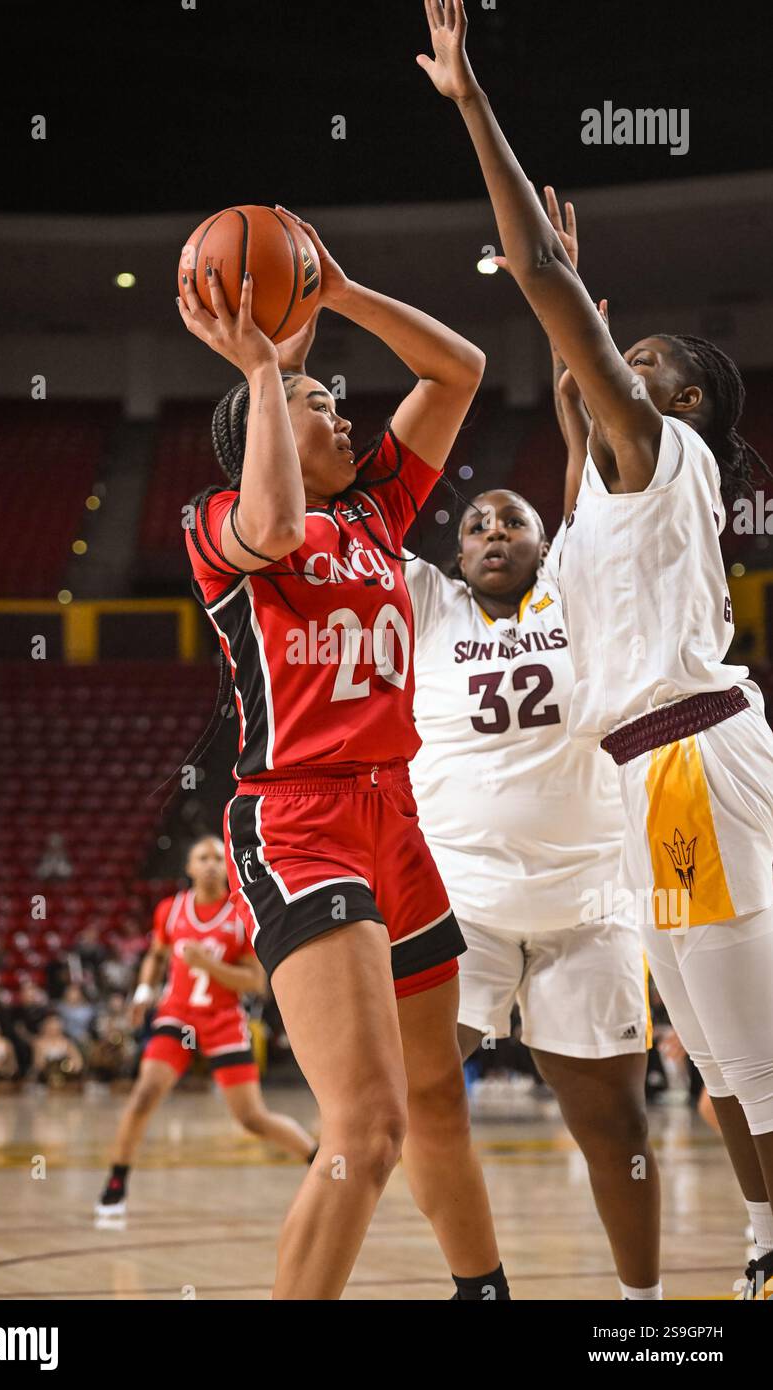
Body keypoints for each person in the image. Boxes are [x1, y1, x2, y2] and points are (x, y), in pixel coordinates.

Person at [418, 0, 773, 1300]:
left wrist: (470, 106)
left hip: (683, 755)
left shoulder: (658, 450)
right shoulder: (603, 498)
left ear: (680, 404)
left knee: (745, 1045)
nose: (611, 370)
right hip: (647, 770)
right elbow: (573, 461)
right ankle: (753, 1246)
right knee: (723, 1056)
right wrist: (573, 366)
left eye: (636, 363)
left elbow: (532, 276)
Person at [178, 211, 505, 1302]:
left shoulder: (375, 512)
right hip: (302, 821)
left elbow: (458, 368)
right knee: (363, 1130)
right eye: (324, 403)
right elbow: (272, 522)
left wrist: (339, 290)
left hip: (394, 817)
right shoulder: (218, 520)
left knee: (435, 1100)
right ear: (264, 419)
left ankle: (484, 1291)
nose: (343, 409)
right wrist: (271, 367)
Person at [95, 836, 315, 1218]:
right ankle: (116, 1180)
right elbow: (157, 954)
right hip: (177, 1014)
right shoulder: (170, 910)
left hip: (223, 1018)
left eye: (218, 856)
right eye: (203, 857)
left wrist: (208, 965)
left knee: (251, 1118)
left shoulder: (240, 913)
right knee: (145, 1094)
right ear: (190, 867)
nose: (212, 863)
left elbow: (255, 983)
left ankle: (316, 1160)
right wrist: (144, 990)